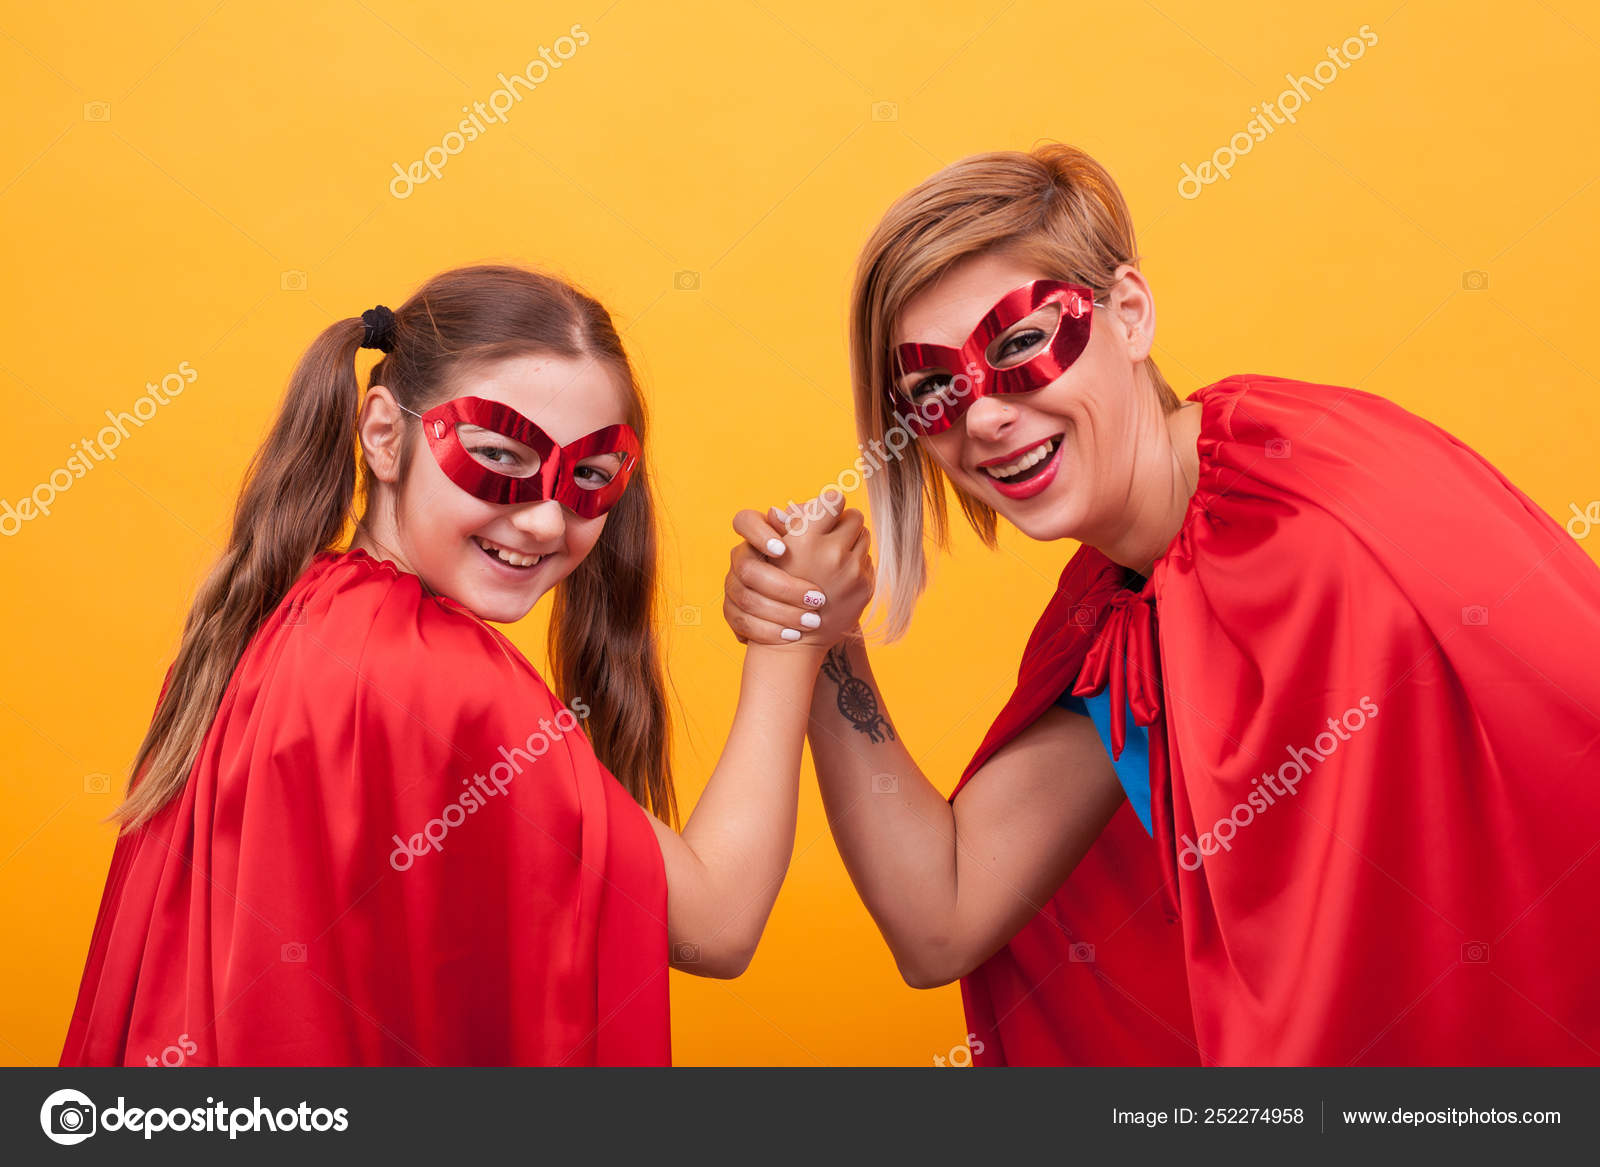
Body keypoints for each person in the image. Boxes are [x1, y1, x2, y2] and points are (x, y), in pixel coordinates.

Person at [723, 143, 1600, 1065]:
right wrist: (821, 633)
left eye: (1021, 342)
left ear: (1130, 314)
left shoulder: (1312, 516)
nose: (981, 418)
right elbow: (943, 911)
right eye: (935, 390)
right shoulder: (1131, 604)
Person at [60, 263, 870, 1067]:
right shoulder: (451, 682)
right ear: (384, 433)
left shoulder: (273, 617)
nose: (549, 517)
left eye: (590, 475)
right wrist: (791, 634)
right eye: (499, 455)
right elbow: (718, 922)